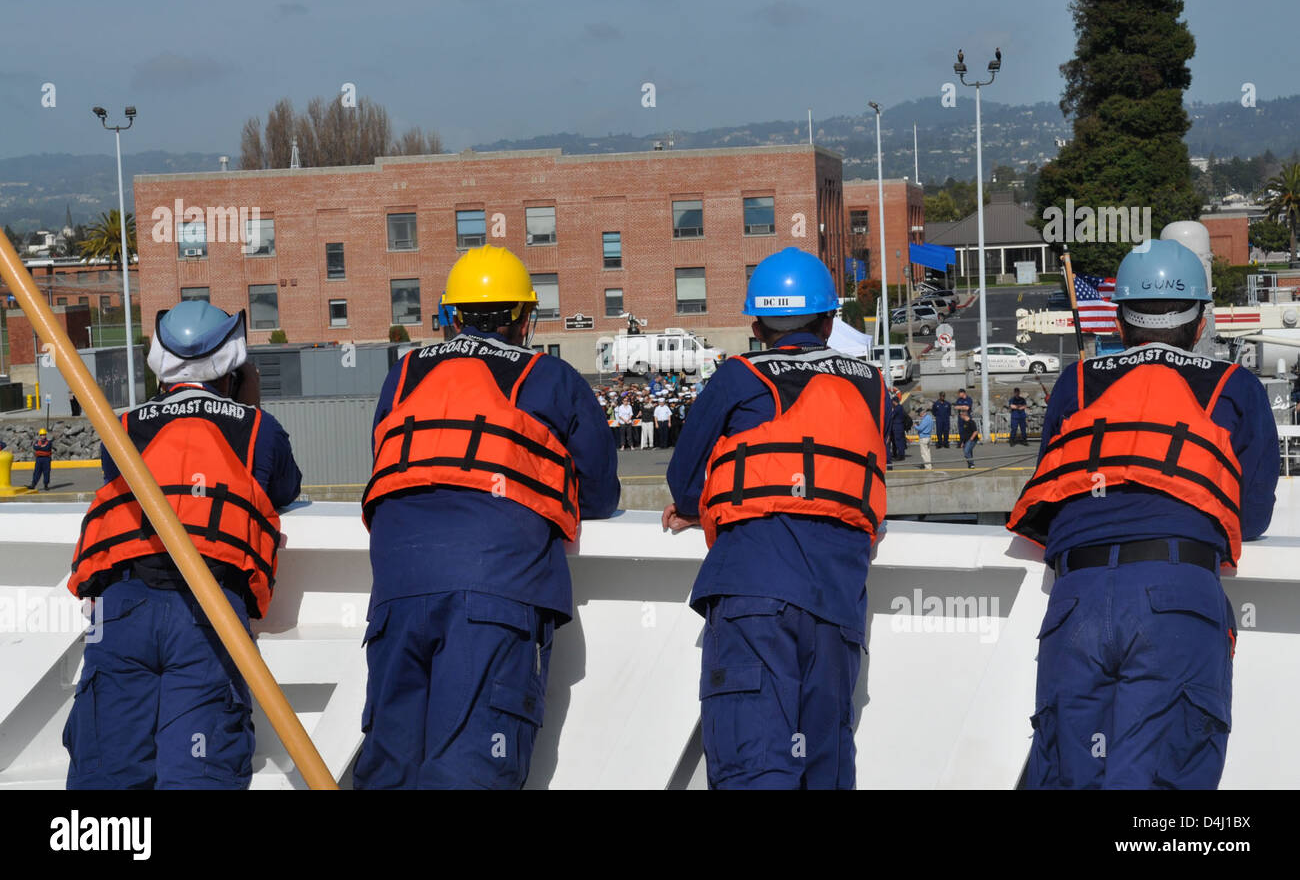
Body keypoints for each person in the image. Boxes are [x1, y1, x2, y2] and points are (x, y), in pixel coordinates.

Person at [1008, 239, 1278, 789]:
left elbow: (1055, 489)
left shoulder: (1076, 382)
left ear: (1120, 321)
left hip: (1075, 601)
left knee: (1068, 774)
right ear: (1200, 320)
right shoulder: (1236, 388)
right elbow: (1250, 518)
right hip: (1177, 596)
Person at [357, 245, 619, 789]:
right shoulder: (551, 377)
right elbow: (598, 493)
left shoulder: (403, 375)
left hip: (398, 589)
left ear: (451, 316)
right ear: (526, 318)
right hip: (499, 587)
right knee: (473, 772)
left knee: (391, 770)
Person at [662, 247, 887, 789]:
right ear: (830, 321)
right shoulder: (870, 382)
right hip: (837, 602)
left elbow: (684, 481)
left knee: (754, 763)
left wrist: (703, 508)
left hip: (752, 592)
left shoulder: (737, 377)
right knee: (824, 765)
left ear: (758, 325)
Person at [64, 300, 301, 789]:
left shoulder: (123, 428)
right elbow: (284, 487)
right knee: (201, 771)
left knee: (108, 768)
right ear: (234, 371)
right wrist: (250, 404)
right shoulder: (259, 430)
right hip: (210, 613)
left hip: (122, 607)